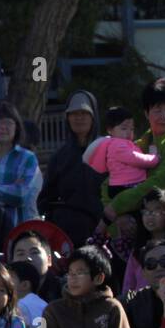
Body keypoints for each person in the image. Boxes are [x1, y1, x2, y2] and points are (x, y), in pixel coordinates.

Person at [101, 78, 165, 225]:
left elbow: (158, 183)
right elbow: (107, 185)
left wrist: (116, 206)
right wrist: (116, 218)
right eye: (158, 110)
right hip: (137, 230)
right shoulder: (136, 147)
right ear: (146, 113)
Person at [40, 89, 107, 247]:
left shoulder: (107, 150)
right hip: (67, 235)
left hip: (103, 231)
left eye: (84, 113)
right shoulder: (60, 156)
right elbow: (45, 199)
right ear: (67, 118)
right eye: (74, 113)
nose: (79, 118)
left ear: (93, 116)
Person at [120, 188, 165, 294]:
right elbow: (128, 285)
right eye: (146, 211)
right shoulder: (138, 249)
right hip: (141, 306)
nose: (149, 216)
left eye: (156, 211)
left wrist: (159, 291)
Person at [83, 106, 161, 196]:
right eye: (124, 128)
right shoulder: (117, 145)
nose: (128, 132)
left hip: (125, 184)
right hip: (124, 185)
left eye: (131, 129)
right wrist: (154, 159)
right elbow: (135, 158)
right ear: (110, 130)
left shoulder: (124, 143)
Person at [0, 101, 42, 229]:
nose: (2, 127)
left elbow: (21, 196)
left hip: (20, 229)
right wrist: (10, 188)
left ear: (17, 127)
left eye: (8, 123)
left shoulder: (28, 158)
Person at [9, 228, 62, 303]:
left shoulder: (64, 290)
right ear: (12, 261)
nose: (27, 258)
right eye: (20, 254)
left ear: (49, 260)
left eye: (34, 252)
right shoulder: (3, 291)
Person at [9, 260, 48, 328]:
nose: (3, 281)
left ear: (25, 285)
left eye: (9, 278)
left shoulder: (21, 306)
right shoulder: (42, 303)